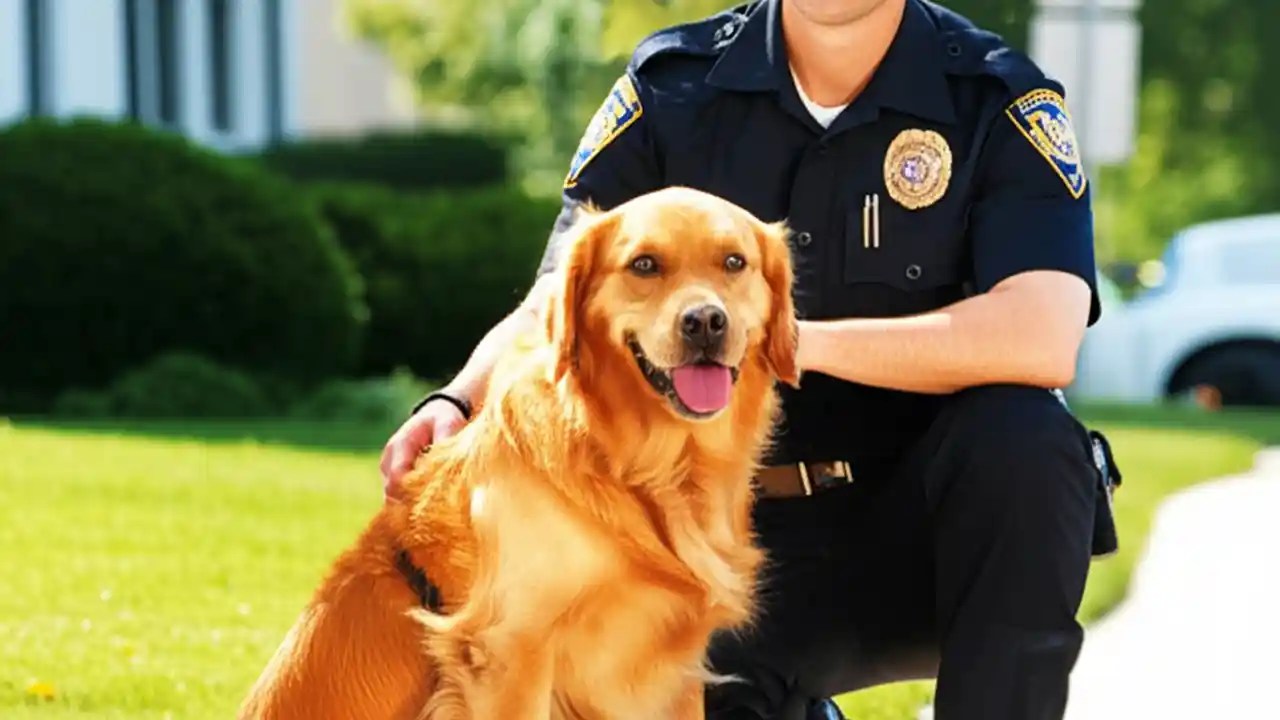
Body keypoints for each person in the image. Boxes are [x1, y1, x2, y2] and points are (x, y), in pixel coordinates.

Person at [382, 0, 1122, 718]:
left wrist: (789, 341)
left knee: (1028, 441)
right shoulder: (673, 87)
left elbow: (1041, 335)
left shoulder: (997, 99)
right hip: (718, 543)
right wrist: (457, 398)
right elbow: (564, 293)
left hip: (921, 541)